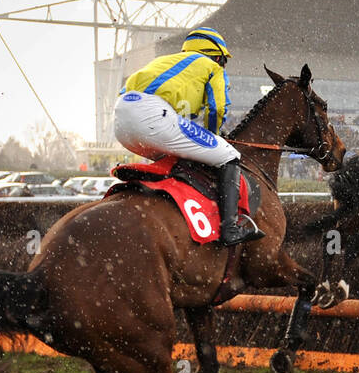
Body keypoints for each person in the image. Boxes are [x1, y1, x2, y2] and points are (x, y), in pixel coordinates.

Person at [113, 26, 264, 246]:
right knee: (229, 155)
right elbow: (217, 109)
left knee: (181, 159)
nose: (223, 66)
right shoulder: (211, 66)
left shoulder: (166, 62)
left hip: (122, 121)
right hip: (152, 116)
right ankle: (230, 229)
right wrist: (214, 138)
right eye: (223, 60)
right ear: (215, 55)